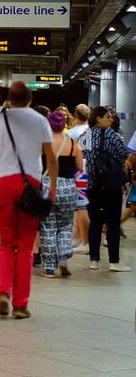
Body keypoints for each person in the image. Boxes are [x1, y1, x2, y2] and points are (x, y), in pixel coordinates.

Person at [0, 81, 57, 318]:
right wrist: (52, 185)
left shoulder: (0, 121)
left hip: (3, 184)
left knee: (5, 243)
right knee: (24, 247)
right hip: (29, 186)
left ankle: (3, 291)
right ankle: (21, 305)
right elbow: (51, 158)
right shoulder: (40, 120)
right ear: (30, 98)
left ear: (9, 99)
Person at [84, 106, 135, 271]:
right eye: (108, 117)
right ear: (98, 118)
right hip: (111, 186)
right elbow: (123, 155)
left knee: (95, 222)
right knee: (112, 223)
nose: (111, 120)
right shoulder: (113, 136)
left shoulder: (86, 135)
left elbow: (83, 156)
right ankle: (114, 261)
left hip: (93, 185)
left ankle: (94, 260)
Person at [39, 110, 81, 278]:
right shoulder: (73, 143)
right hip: (68, 187)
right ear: (64, 124)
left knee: (48, 226)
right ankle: (63, 258)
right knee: (65, 225)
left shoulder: (43, 143)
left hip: (48, 185)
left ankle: (49, 267)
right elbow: (80, 167)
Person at [68, 104, 91, 244]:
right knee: (84, 205)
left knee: (81, 206)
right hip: (92, 169)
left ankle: (85, 242)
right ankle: (78, 236)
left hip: (78, 170)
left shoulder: (70, 133)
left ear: (75, 115)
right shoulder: (93, 131)